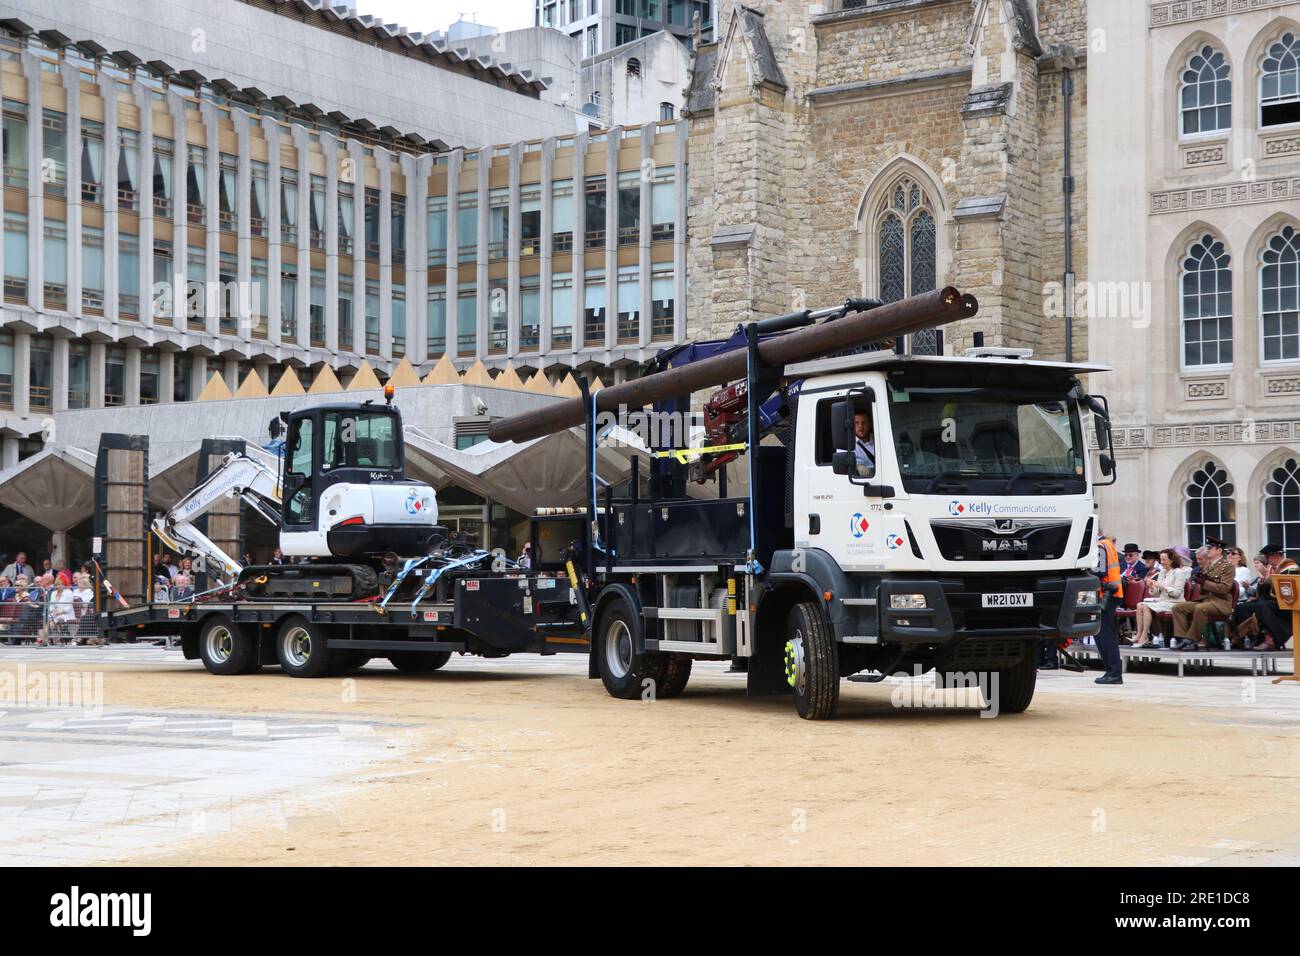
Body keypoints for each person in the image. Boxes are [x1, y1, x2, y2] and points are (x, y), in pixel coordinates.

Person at [1170, 536, 1234, 651]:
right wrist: (1200, 582)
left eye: (1211, 548)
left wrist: (1205, 582)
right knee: (1178, 608)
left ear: (1219, 551)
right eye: (1208, 547)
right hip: (1207, 600)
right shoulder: (1209, 566)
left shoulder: (1227, 566)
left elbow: (1224, 589)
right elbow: (1203, 591)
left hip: (1221, 603)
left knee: (1200, 608)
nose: (1208, 549)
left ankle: (1192, 639)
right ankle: (1182, 638)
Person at [1132, 549, 1190, 649]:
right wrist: (1151, 586)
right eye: (1161, 560)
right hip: (1162, 601)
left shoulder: (1179, 573)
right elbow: (1156, 593)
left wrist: (1162, 586)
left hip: (1175, 603)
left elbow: (1177, 593)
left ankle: (1144, 636)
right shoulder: (1162, 572)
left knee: (1145, 607)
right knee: (1139, 605)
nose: (1161, 562)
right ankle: (1139, 634)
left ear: (1171, 560)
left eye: (1164, 560)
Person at [1093, 531, 1125, 684]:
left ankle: (1113, 672)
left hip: (1105, 593)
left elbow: (1099, 571)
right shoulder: (1107, 544)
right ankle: (1111, 671)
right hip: (1109, 593)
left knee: (1104, 634)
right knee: (1101, 634)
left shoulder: (1100, 546)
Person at [851, 410, 875, 477]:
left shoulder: (878, 438)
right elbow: (842, 463)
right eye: (856, 423)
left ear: (869, 424)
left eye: (864, 422)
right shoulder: (845, 444)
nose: (860, 426)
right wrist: (856, 466)